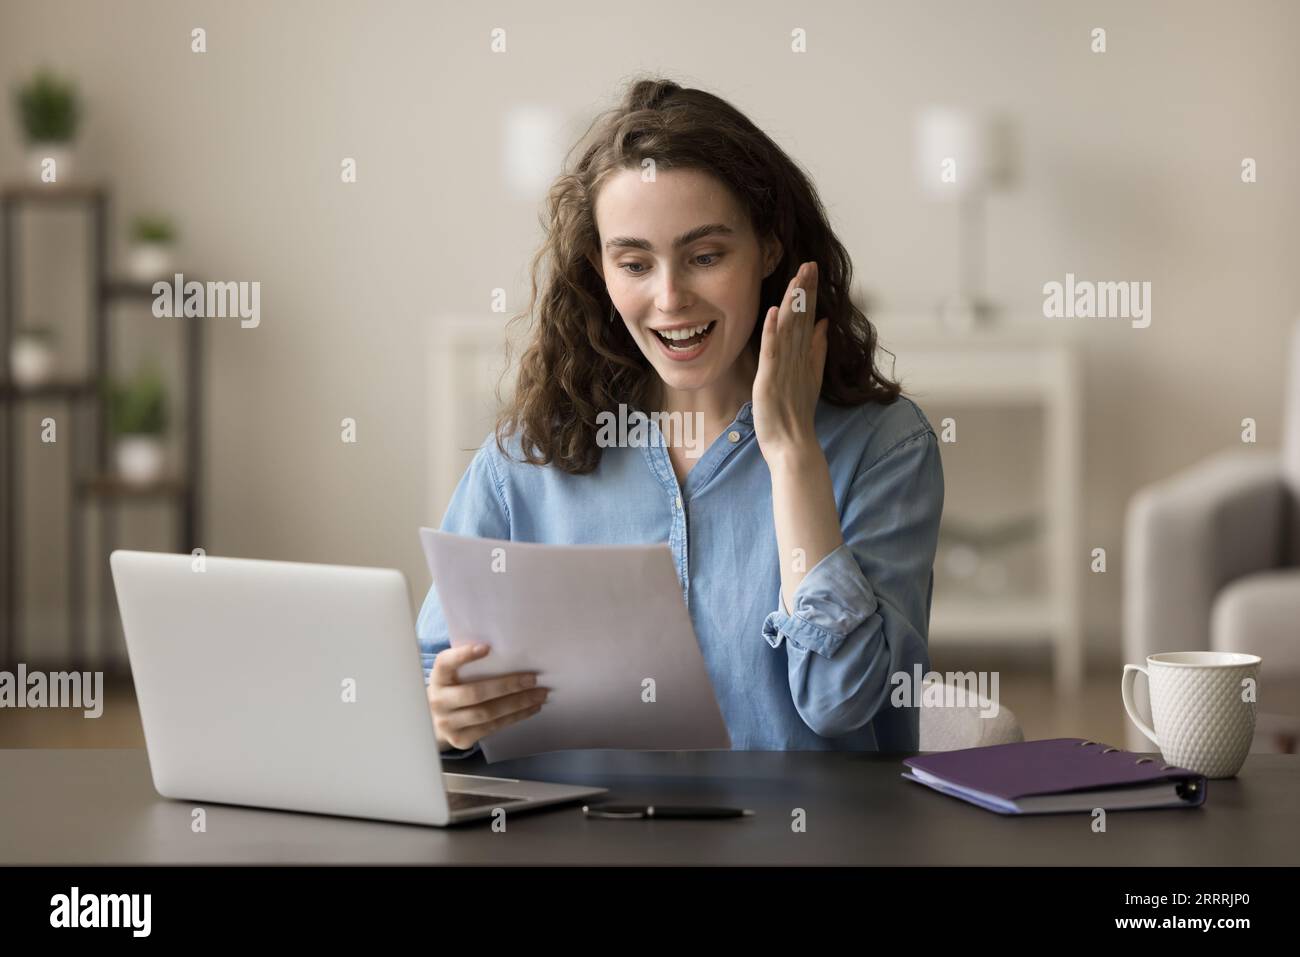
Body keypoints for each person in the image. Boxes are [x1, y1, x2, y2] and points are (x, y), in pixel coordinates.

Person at [419, 76, 944, 759]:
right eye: (634, 261)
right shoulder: (527, 458)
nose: (669, 298)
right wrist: (445, 714)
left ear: (770, 246)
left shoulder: (885, 448)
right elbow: (429, 680)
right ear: (599, 270)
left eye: (705, 256)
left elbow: (841, 699)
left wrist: (791, 455)